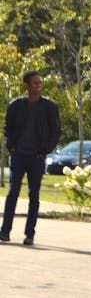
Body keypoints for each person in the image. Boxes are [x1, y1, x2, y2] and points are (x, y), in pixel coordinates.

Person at [2, 71, 60, 245]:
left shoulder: (49, 107)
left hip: (36, 157)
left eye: (39, 83)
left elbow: (55, 132)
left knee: (33, 195)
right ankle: (4, 232)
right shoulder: (16, 105)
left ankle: (29, 234)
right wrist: (11, 147)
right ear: (26, 85)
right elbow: (8, 128)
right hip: (18, 156)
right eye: (34, 83)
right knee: (12, 193)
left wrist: (45, 150)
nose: (38, 86)